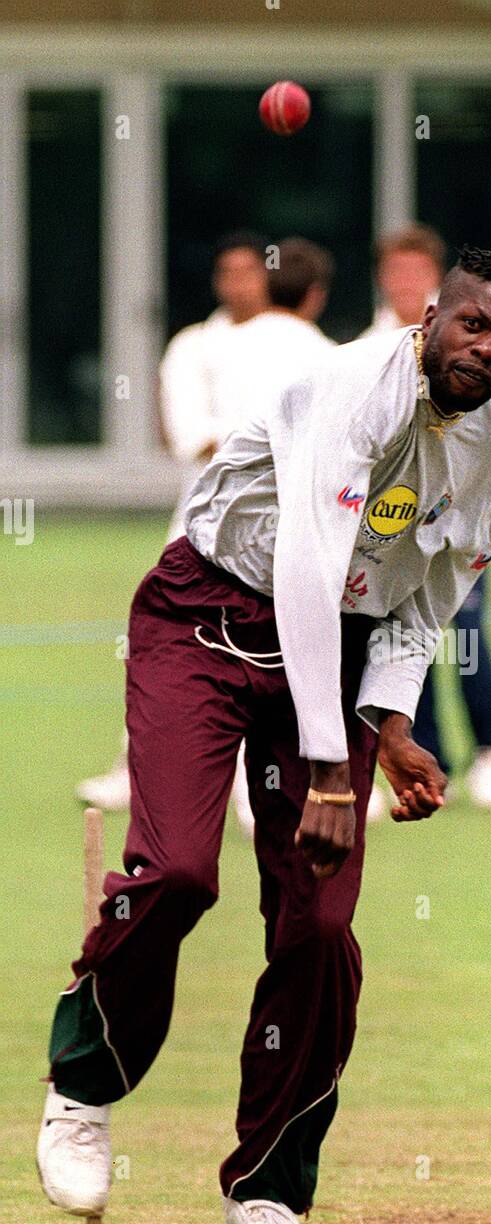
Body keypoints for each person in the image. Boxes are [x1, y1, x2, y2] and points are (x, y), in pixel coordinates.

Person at [37, 246, 491, 1224]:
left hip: (342, 649)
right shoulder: (353, 388)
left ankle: (268, 1186)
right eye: (473, 324)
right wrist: (330, 764)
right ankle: (83, 1087)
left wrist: (393, 718)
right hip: (205, 621)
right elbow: (310, 573)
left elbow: (431, 591)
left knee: (318, 926)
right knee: (180, 870)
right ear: (430, 314)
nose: (487, 348)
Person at [75, 234, 336, 835]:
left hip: (287, 526)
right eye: (230, 273)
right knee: (172, 644)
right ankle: (139, 766)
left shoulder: (316, 349)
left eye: (251, 273)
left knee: (277, 645)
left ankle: (277, 784)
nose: (240, 285)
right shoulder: (196, 346)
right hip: (202, 519)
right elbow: (191, 436)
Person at [364, 225, 491, 813]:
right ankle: (429, 755)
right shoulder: (372, 343)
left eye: (416, 272)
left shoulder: (479, 327)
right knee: (401, 641)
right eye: (396, 272)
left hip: (459, 515)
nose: (404, 283)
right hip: (393, 527)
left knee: (464, 631)